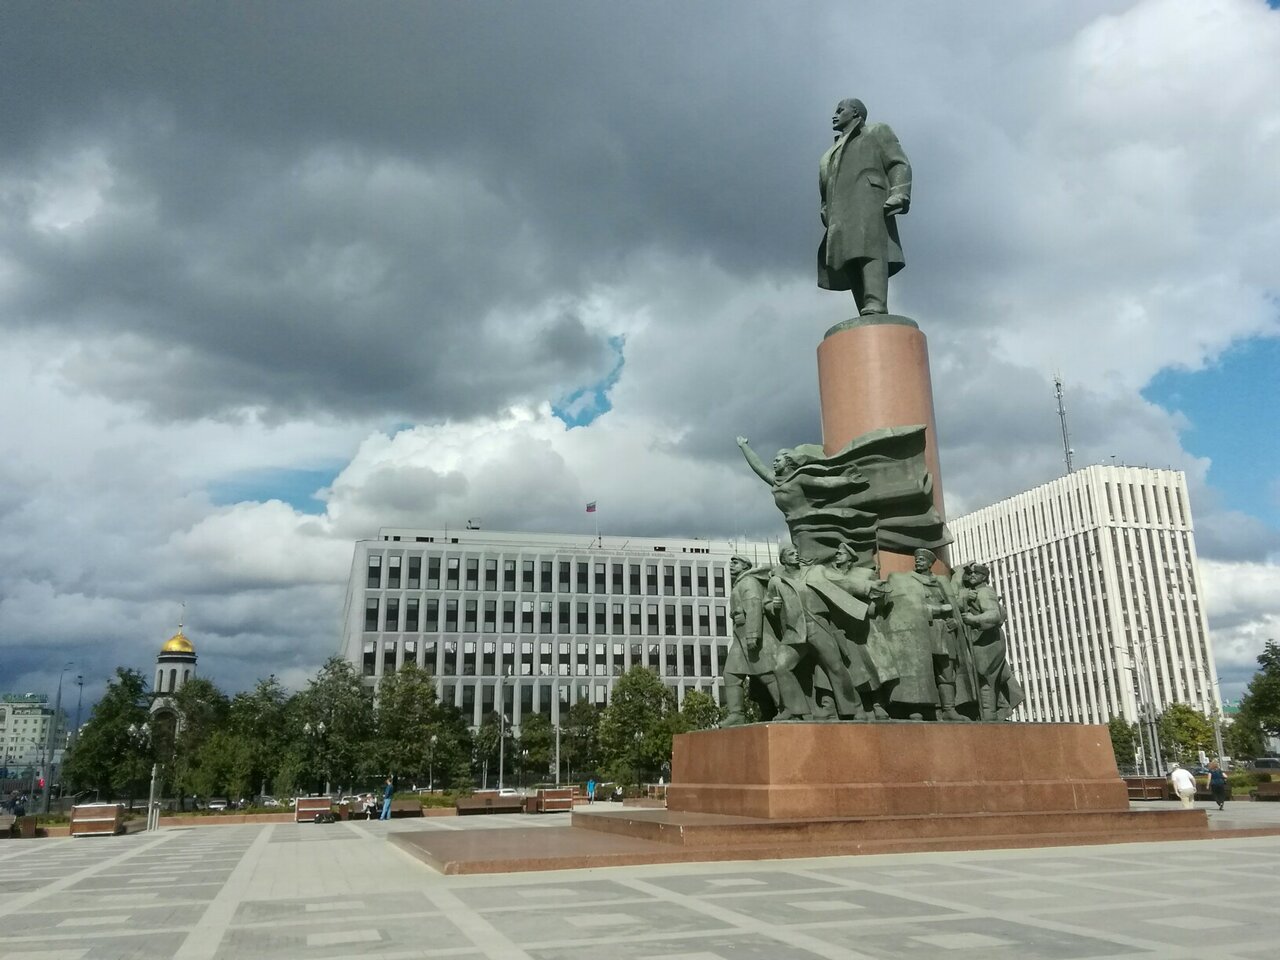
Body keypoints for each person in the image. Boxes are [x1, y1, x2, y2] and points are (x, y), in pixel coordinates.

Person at [818, 98, 912, 315]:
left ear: (856, 113)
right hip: (838, 212)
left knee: (870, 250)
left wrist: (900, 191)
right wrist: (824, 207)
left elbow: (897, 162)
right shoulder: (828, 153)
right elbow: (826, 183)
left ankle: (875, 302)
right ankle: (864, 308)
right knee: (846, 256)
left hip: (869, 200)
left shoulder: (876, 131)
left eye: (840, 110)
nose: (835, 115)